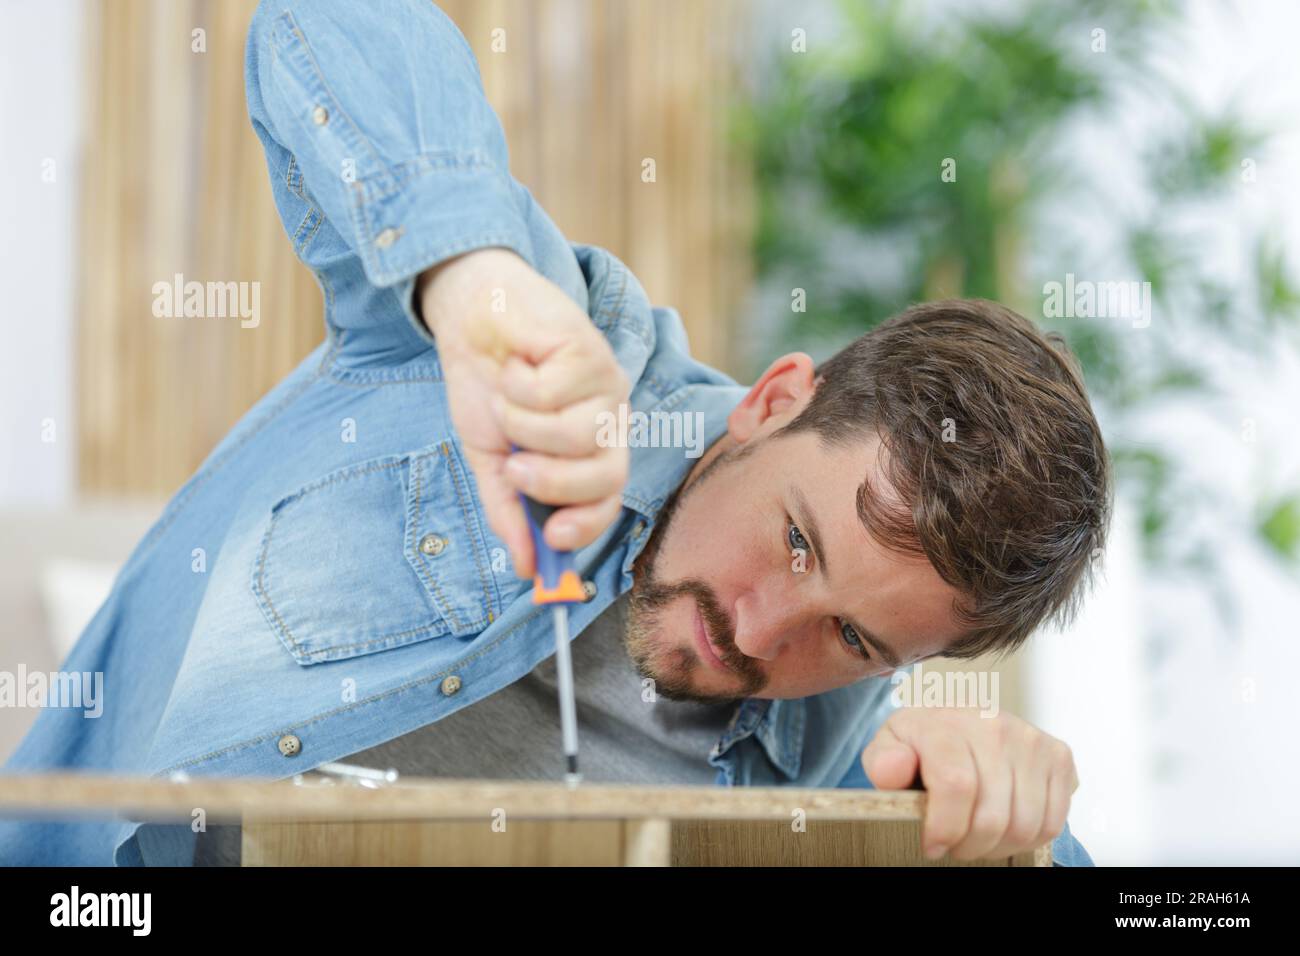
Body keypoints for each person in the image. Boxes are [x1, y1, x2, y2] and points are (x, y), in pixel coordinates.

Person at [0, 0, 1107, 867]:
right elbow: (332, 20)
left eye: (855, 639)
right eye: (798, 541)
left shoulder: (838, 752)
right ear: (774, 398)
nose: (760, 634)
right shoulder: (534, 354)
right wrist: (470, 274)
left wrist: (1012, 818)